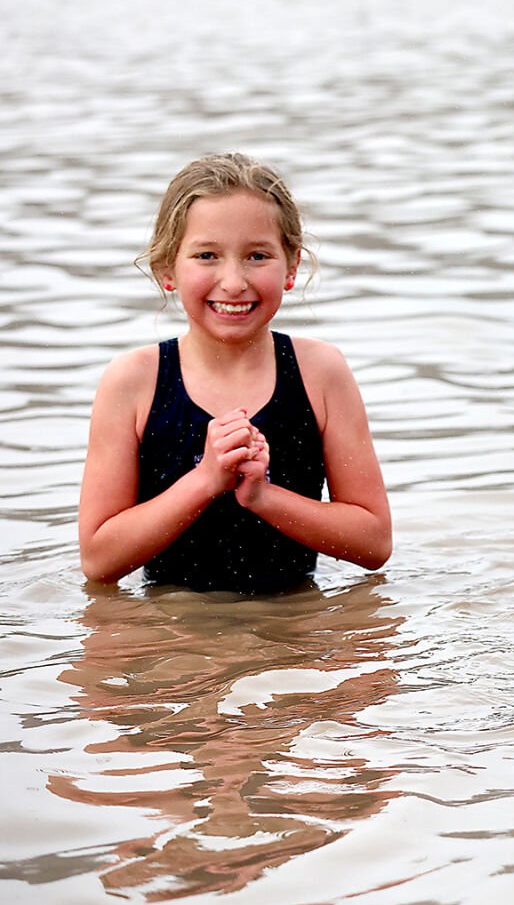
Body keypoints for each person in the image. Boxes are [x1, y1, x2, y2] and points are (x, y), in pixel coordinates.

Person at [78, 153, 391, 593]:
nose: (233, 281)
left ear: (292, 266)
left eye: (257, 256)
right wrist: (205, 480)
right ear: (167, 269)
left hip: (295, 618)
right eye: (207, 255)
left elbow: (374, 542)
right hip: (173, 627)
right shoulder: (133, 382)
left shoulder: (321, 372)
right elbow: (98, 559)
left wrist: (264, 498)